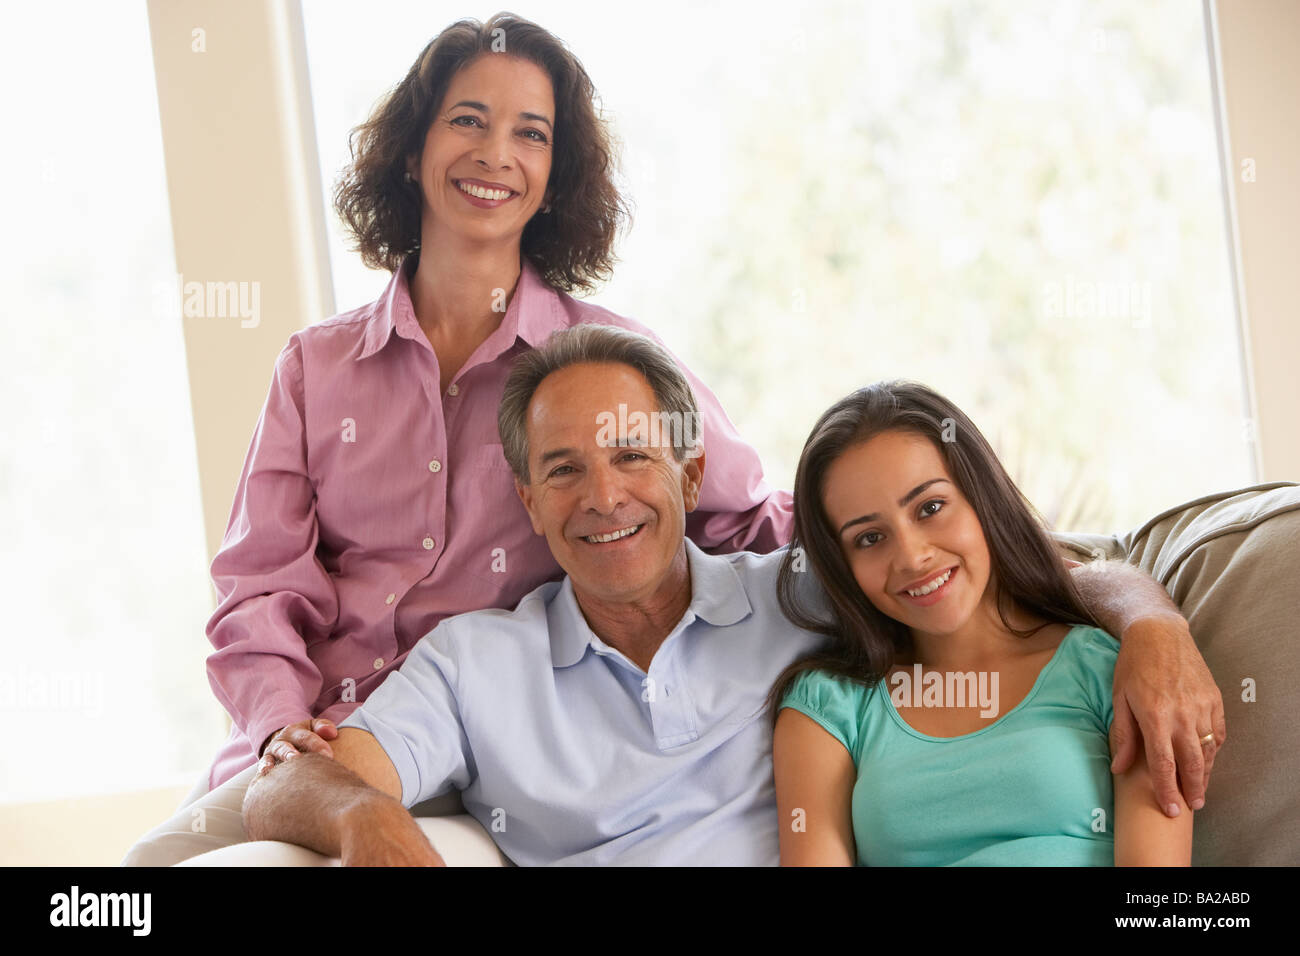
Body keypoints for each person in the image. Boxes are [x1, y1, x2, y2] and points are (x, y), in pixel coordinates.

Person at [121, 13, 789, 866]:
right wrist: (283, 731)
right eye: (468, 119)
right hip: (320, 745)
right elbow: (258, 591)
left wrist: (908, 535)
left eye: (531, 133)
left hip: (487, 754)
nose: (495, 153)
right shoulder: (315, 368)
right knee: (145, 871)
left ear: (554, 177)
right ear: (413, 148)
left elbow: (741, 517)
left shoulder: (601, 365)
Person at [238, 330, 1219, 866]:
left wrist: (1152, 625)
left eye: (632, 456)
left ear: (690, 469)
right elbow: (281, 784)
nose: (603, 496)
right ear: (530, 501)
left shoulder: (802, 594)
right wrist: (365, 821)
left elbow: (1001, 572)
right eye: (564, 470)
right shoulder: (473, 663)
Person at [771, 381, 1202, 865]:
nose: (911, 557)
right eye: (869, 538)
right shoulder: (828, 707)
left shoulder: (1114, 671)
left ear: (982, 498)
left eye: (930, 508)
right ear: (841, 565)